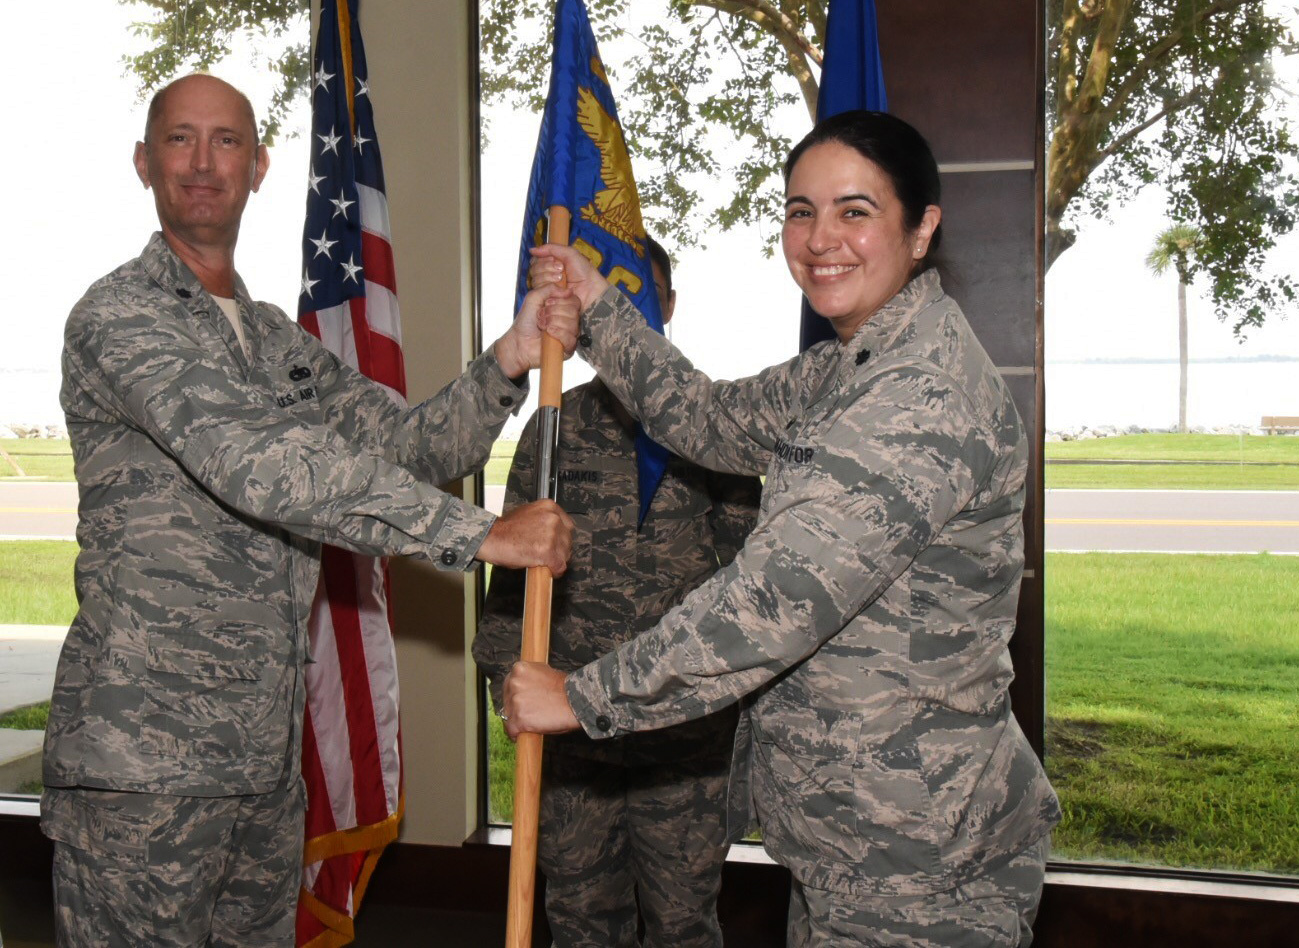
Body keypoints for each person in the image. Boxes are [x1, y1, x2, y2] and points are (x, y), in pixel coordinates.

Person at [42, 73, 577, 947]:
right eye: (180, 139)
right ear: (144, 162)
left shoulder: (276, 343)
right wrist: (479, 534)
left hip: (260, 764)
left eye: (226, 142)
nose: (203, 162)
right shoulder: (120, 316)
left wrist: (509, 360)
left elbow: (410, 448)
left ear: (259, 166)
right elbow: (256, 465)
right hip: (143, 769)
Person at [504, 110, 1061, 947]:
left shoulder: (921, 393)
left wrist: (581, 698)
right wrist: (598, 306)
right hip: (854, 843)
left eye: (854, 210)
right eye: (800, 211)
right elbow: (708, 419)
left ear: (921, 230)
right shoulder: (848, 365)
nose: (819, 238)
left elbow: (772, 602)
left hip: (917, 862)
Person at [474, 237, 762, 948]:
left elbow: (747, 588)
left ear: (667, 306)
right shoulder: (553, 427)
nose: (628, 310)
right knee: (580, 922)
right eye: (612, 295)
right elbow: (508, 589)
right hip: (572, 746)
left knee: (682, 925)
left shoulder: (710, 435)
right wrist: (507, 693)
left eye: (642, 296)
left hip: (683, 746)